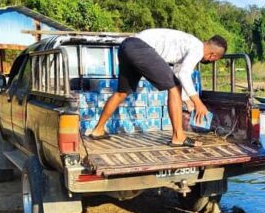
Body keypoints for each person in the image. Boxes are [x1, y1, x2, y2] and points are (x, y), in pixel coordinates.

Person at [89, 28, 227, 147]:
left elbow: (178, 74)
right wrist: (198, 103)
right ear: (213, 56)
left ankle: (98, 130)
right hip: (141, 48)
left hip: (127, 45)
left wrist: (187, 100)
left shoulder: (189, 43)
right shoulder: (197, 48)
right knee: (174, 87)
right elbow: (183, 76)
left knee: (122, 93)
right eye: (213, 60)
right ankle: (178, 137)